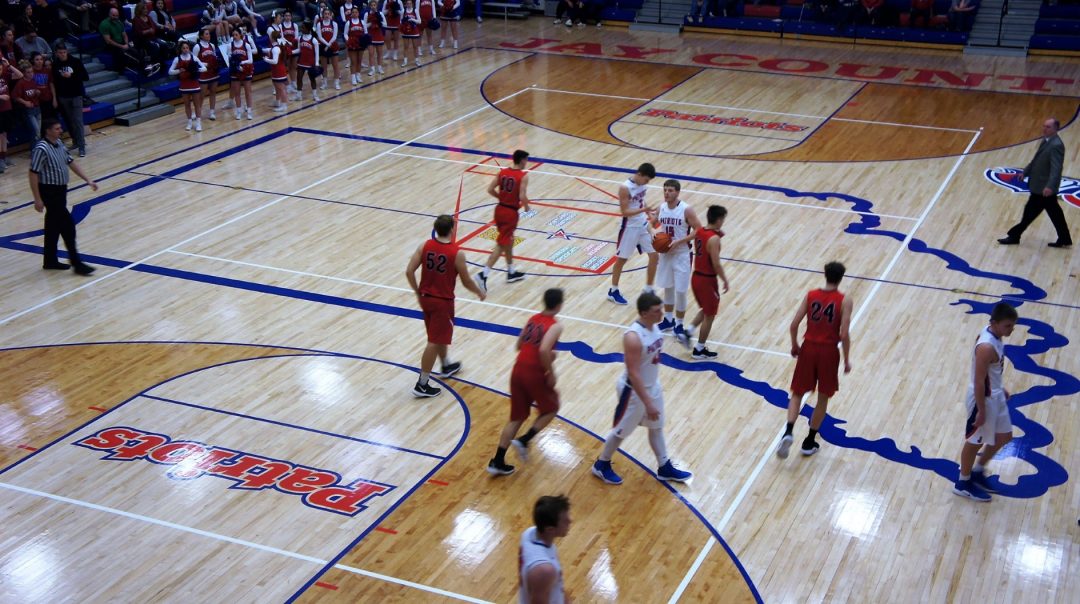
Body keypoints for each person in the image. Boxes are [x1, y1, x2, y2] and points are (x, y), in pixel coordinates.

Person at [592, 292, 693, 485]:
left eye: (661, 309)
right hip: (633, 391)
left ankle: (664, 467)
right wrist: (648, 402)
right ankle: (601, 464)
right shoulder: (633, 337)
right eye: (657, 311)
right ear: (644, 313)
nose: (662, 313)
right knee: (621, 431)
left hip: (652, 386)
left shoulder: (654, 327)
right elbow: (633, 373)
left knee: (657, 427)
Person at [776, 261, 853, 459]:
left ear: (825, 275)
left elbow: (794, 325)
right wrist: (846, 360)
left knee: (797, 393)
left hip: (809, 348)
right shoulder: (844, 300)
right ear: (841, 278)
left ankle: (788, 431)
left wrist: (794, 345)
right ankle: (809, 441)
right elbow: (844, 334)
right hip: (828, 352)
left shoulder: (811, 295)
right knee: (823, 397)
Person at [405, 214, 486, 398]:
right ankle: (422, 383)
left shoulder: (424, 246)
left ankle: (446, 364)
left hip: (426, 298)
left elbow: (409, 271)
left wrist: (417, 292)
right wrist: (479, 292)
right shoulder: (456, 253)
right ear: (452, 229)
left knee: (437, 335)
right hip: (442, 301)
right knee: (434, 341)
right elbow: (465, 281)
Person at [487, 288, 564, 476]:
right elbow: (544, 350)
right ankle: (525, 439)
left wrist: (544, 352)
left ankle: (497, 461)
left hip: (518, 369)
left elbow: (519, 345)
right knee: (552, 408)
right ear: (560, 304)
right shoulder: (555, 326)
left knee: (516, 417)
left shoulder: (532, 319)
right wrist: (551, 371)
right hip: (534, 373)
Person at [952, 302, 1017, 502]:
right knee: (973, 442)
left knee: (1004, 436)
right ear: (995, 323)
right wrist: (980, 411)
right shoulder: (986, 346)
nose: (1011, 329)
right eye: (1008, 326)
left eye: (1013, 325)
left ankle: (978, 471)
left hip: (994, 394)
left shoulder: (995, 335)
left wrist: (999, 388)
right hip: (982, 400)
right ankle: (963, 482)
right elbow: (979, 381)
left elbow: (989, 373)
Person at [29, 119, 99, 275]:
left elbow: (70, 162)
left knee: (53, 226)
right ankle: (76, 263)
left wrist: (87, 179)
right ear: (47, 130)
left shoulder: (59, 143)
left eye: (60, 128)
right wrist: (37, 198)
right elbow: (33, 173)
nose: (60, 130)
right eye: (56, 128)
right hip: (49, 191)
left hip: (61, 190)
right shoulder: (41, 148)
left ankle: (49, 260)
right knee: (67, 225)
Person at [998, 118, 1073, 249]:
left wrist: (1050, 186)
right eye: (1044, 126)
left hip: (1043, 188)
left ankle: (1014, 235)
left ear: (1056, 129)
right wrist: (1025, 172)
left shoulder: (1056, 145)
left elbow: (1056, 168)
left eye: (1048, 127)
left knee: (1029, 214)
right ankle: (1064, 238)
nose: (1044, 129)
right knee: (1054, 213)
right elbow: (1037, 160)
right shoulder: (1046, 141)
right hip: (1040, 186)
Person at [475, 149, 529, 293]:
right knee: (501, 243)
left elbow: (490, 189)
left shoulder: (502, 172)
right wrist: (527, 206)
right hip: (510, 213)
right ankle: (483, 274)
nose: (526, 163)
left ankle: (511, 272)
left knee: (508, 241)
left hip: (499, 210)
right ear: (522, 160)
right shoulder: (523, 176)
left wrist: (501, 198)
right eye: (526, 160)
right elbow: (522, 195)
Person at [653, 179, 700, 343]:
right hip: (666, 254)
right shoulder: (661, 207)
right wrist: (650, 220)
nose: (667, 193)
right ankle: (668, 320)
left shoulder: (686, 210)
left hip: (682, 254)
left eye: (670, 190)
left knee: (680, 291)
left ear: (677, 192)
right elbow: (652, 224)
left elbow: (699, 230)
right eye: (665, 190)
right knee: (668, 288)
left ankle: (679, 323)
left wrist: (678, 242)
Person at [607, 162, 658, 306]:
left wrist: (648, 211)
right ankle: (613, 291)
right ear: (640, 174)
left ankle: (648, 289)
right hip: (629, 227)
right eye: (646, 180)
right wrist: (643, 210)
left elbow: (641, 200)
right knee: (621, 260)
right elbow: (625, 212)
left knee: (654, 255)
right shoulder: (625, 188)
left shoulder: (642, 185)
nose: (647, 183)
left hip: (642, 224)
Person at [684, 205, 729, 359]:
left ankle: (688, 332)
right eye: (723, 219)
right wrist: (724, 280)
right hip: (707, 279)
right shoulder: (713, 238)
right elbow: (716, 264)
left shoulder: (700, 231)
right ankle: (699, 349)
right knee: (710, 315)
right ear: (718, 219)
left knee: (705, 308)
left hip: (696, 276)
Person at [518, 495, 570, 604]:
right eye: (565, 521)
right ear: (550, 529)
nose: (570, 521)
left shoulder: (529, 533)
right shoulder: (544, 570)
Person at [52, 44, 89, 157]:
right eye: (60, 52)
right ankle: (76, 142)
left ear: (67, 52)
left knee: (78, 121)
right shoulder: (55, 65)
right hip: (63, 96)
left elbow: (85, 77)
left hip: (76, 95)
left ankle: (82, 146)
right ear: (56, 53)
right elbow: (54, 81)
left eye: (64, 52)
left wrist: (71, 76)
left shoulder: (76, 61)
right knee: (70, 121)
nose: (62, 54)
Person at [168, 41, 207, 131]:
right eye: (183, 48)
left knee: (197, 104)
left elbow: (204, 68)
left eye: (187, 48)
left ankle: (198, 123)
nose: (185, 50)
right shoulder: (177, 59)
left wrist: (196, 70)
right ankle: (189, 122)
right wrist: (179, 71)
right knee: (187, 104)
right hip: (184, 85)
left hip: (194, 84)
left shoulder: (194, 57)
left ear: (189, 49)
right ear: (181, 49)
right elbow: (170, 72)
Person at [0, 57, 23, 173]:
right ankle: (1, 159)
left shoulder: (4, 75)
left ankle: (4, 156)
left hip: (6, 109)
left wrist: (9, 66)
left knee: (4, 134)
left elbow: (20, 75)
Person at [227, 26, 254, 120]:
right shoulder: (230, 45)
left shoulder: (246, 45)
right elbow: (230, 60)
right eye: (233, 35)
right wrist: (237, 66)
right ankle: (239, 111)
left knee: (248, 92)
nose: (234, 36)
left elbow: (250, 60)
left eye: (236, 34)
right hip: (235, 71)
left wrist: (241, 64)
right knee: (237, 92)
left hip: (246, 70)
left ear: (240, 35)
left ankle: (249, 111)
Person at [195, 28, 222, 120]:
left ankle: (212, 113)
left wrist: (216, 62)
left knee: (213, 93)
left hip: (213, 73)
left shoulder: (212, 45)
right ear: (201, 36)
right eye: (206, 34)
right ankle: (197, 112)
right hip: (203, 74)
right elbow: (194, 61)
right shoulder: (197, 46)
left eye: (209, 34)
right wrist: (207, 64)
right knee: (202, 95)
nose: (209, 35)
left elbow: (214, 58)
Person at [315, 7, 341, 90]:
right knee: (324, 66)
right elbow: (319, 36)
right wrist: (326, 45)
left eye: (328, 14)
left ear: (330, 15)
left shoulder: (334, 24)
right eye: (325, 14)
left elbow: (335, 36)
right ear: (322, 15)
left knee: (335, 65)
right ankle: (324, 83)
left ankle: (336, 82)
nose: (326, 15)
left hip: (333, 45)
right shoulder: (319, 24)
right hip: (323, 46)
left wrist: (329, 45)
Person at [262, 31, 289, 112]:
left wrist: (266, 59)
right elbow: (268, 50)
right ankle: (277, 102)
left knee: (281, 88)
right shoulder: (275, 47)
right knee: (277, 88)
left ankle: (284, 105)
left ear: (273, 38)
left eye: (270, 36)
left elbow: (275, 61)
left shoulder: (276, 49)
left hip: (279, 71)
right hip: (276, 70)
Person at [294, 20, 321, 100]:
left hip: (310, 63)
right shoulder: (300, 38)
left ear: (308, 29)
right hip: (301, 62)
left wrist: (316, 64)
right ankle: (299, 95)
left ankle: (315, 95)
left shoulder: (314, 40)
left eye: (303, 28)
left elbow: (317, 53)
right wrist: (291, 52)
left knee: (312, 79)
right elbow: (299, 50)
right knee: (299, 78)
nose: (301, 29)